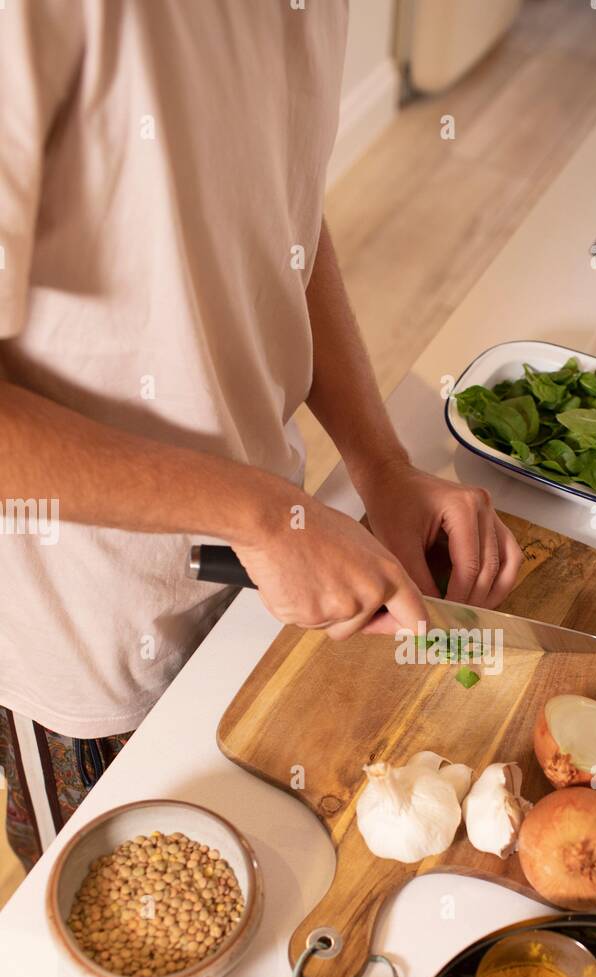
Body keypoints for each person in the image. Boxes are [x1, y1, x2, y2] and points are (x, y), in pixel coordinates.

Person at [0, 0, 523, 871]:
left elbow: (275, 214)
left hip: (270, 574)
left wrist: (382, 466)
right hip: (90, 633)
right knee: (134, 952)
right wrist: (256, 513)